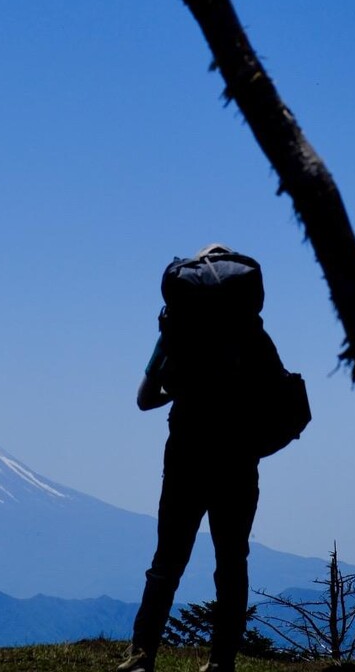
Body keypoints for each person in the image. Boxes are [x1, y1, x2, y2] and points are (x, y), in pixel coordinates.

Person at [120, 245, 287, 672]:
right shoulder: (253, 334)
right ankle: (221, 664)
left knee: (166, 562)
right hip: (237, 458)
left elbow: (143, 400)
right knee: (232, 561)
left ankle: (141, 658)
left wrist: (184, 389)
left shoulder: (175, 331)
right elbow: (278, 393)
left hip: (186, 455)